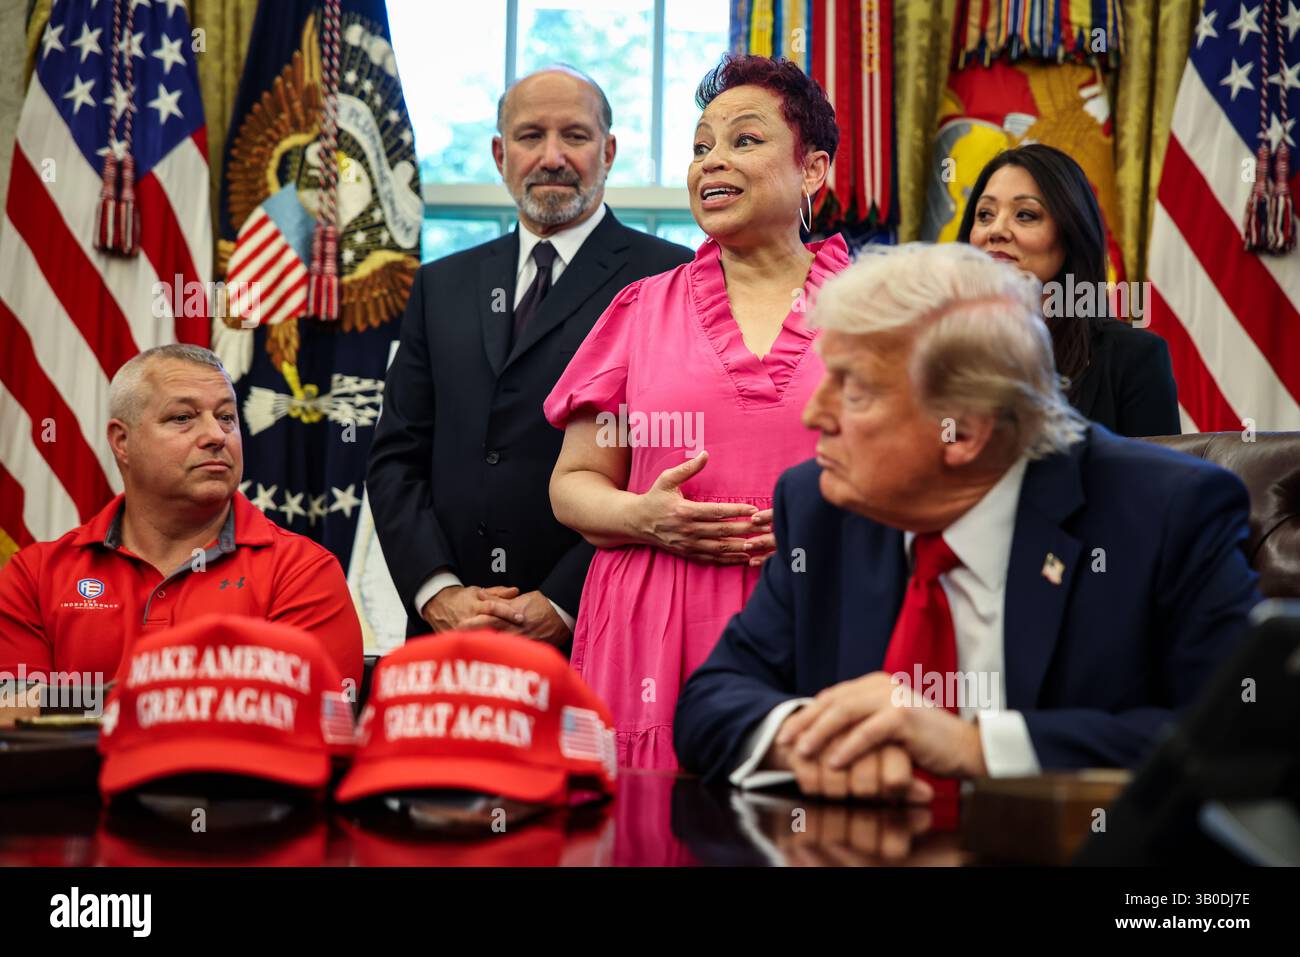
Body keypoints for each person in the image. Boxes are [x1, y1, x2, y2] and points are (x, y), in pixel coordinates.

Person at [674, 243, 1260, 799]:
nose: (813, 413)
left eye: (854, 392)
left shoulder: (1167, 513)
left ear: (967, 431)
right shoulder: (821, 507)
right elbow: (711, 700)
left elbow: (1239, 735)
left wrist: (975, 747)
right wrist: (813, 739)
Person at [546, 54, 850, 770]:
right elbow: (573, 482)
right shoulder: (639, 310)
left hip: (821, 603)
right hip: (652, 621)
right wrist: (646, 517)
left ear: (812, 172)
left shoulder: (883, 309)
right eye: (701, 146)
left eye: (745, 140)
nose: (713, 160)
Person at [366, 66, 692, 645]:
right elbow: (397, 457)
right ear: (499, 153)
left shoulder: (671, 276)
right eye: (529, 136)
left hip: (597, 628)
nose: (551, 156)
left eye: (575, 135)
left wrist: (563, 602)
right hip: (447, 633)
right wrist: (436, 590)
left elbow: (664, 466)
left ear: (608, 150)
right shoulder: (441, 284)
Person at [0, 345, 364, 688]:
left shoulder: (302, 573)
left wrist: (99, 708)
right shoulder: (33, 577)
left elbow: (302, 727)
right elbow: (16, 722)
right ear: (122, 442)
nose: (216, 435)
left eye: (226, 417)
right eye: (183, 418)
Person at [957, 144, 1181, 437]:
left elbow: (1156, 480)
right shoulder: (933, 351)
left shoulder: (1134, 357)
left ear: (1071, 234)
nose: (996, 230)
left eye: (1025, 215)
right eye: (985, 214)